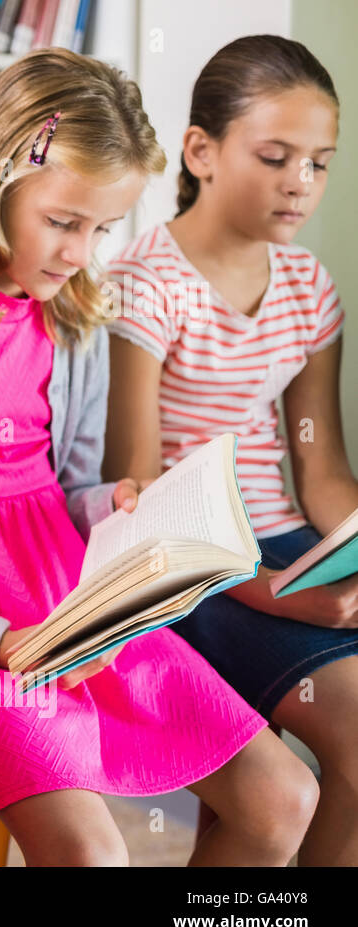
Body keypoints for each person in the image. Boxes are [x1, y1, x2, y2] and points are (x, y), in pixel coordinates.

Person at [0, 48, 317, 866]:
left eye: (101, 228)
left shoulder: (76, 320)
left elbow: (69, 488)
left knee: (283, 796)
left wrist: (112, 502)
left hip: (73, 608)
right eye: (62, 222)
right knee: (94, 854)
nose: (80, 252)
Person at [105, 35, 356, 865]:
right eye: (277, 156)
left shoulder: (309, 289)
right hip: (188, 567)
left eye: (320, 163)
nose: (301, 182)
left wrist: (349, 551)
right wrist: (282, 598)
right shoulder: (147, 285)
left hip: (285, 552)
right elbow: (134, 496)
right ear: (201, 152)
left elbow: (318, 465)